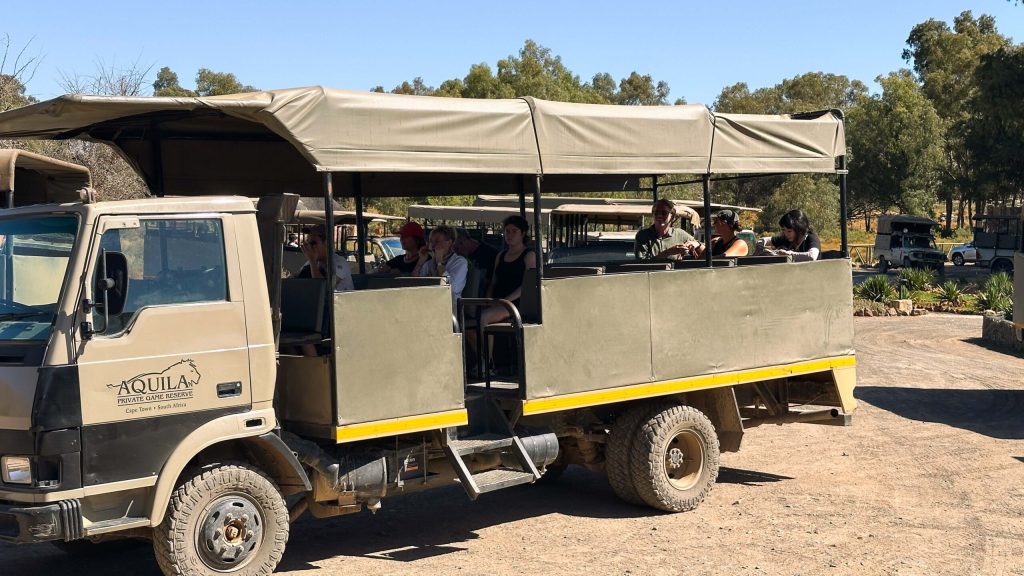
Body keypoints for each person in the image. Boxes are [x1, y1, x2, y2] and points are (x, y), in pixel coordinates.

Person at [482, 215, 537, 325]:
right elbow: (493, 282)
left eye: (514, 231)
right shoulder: (500, 255)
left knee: (484, 316)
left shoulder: (529, 255)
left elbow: (527, 285)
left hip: (517, 304)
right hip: (497, 301)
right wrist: (488, 299)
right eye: (507, 231)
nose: (510, 235)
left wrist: (506, 301)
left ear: (523, 233)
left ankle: (486, 343)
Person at [415, 225, 468, 301]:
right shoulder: (429, 263)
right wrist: (421, 260)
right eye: (431, 242)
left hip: (449, 306)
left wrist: (439, 262)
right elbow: (414, 284)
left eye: (437, 241)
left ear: (449, 243)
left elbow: (453, 288)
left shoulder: (460, 262)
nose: (432, 246)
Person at [634, 199, 699, 260]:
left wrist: (694, 244)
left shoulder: (680, 234)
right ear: (652, 214)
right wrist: (669, 252)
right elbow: (642, 264)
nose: (659, 215)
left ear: (672, 216)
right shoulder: (643, 236)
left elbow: (701, 247)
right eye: (656, 212)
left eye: (664, 213)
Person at [297, 224, 355, 291]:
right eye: (308, 243)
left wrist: (312, 261)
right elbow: (295, 278)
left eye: (313, 243)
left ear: (326, 243)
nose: (310, 247)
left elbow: (325, 288)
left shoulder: (339, 262)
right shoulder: (311, 263)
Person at [453, 227, 499, 292]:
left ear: (463, 241)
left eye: (457, 248)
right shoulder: (461, 257)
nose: (457, 252)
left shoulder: (491, 254)